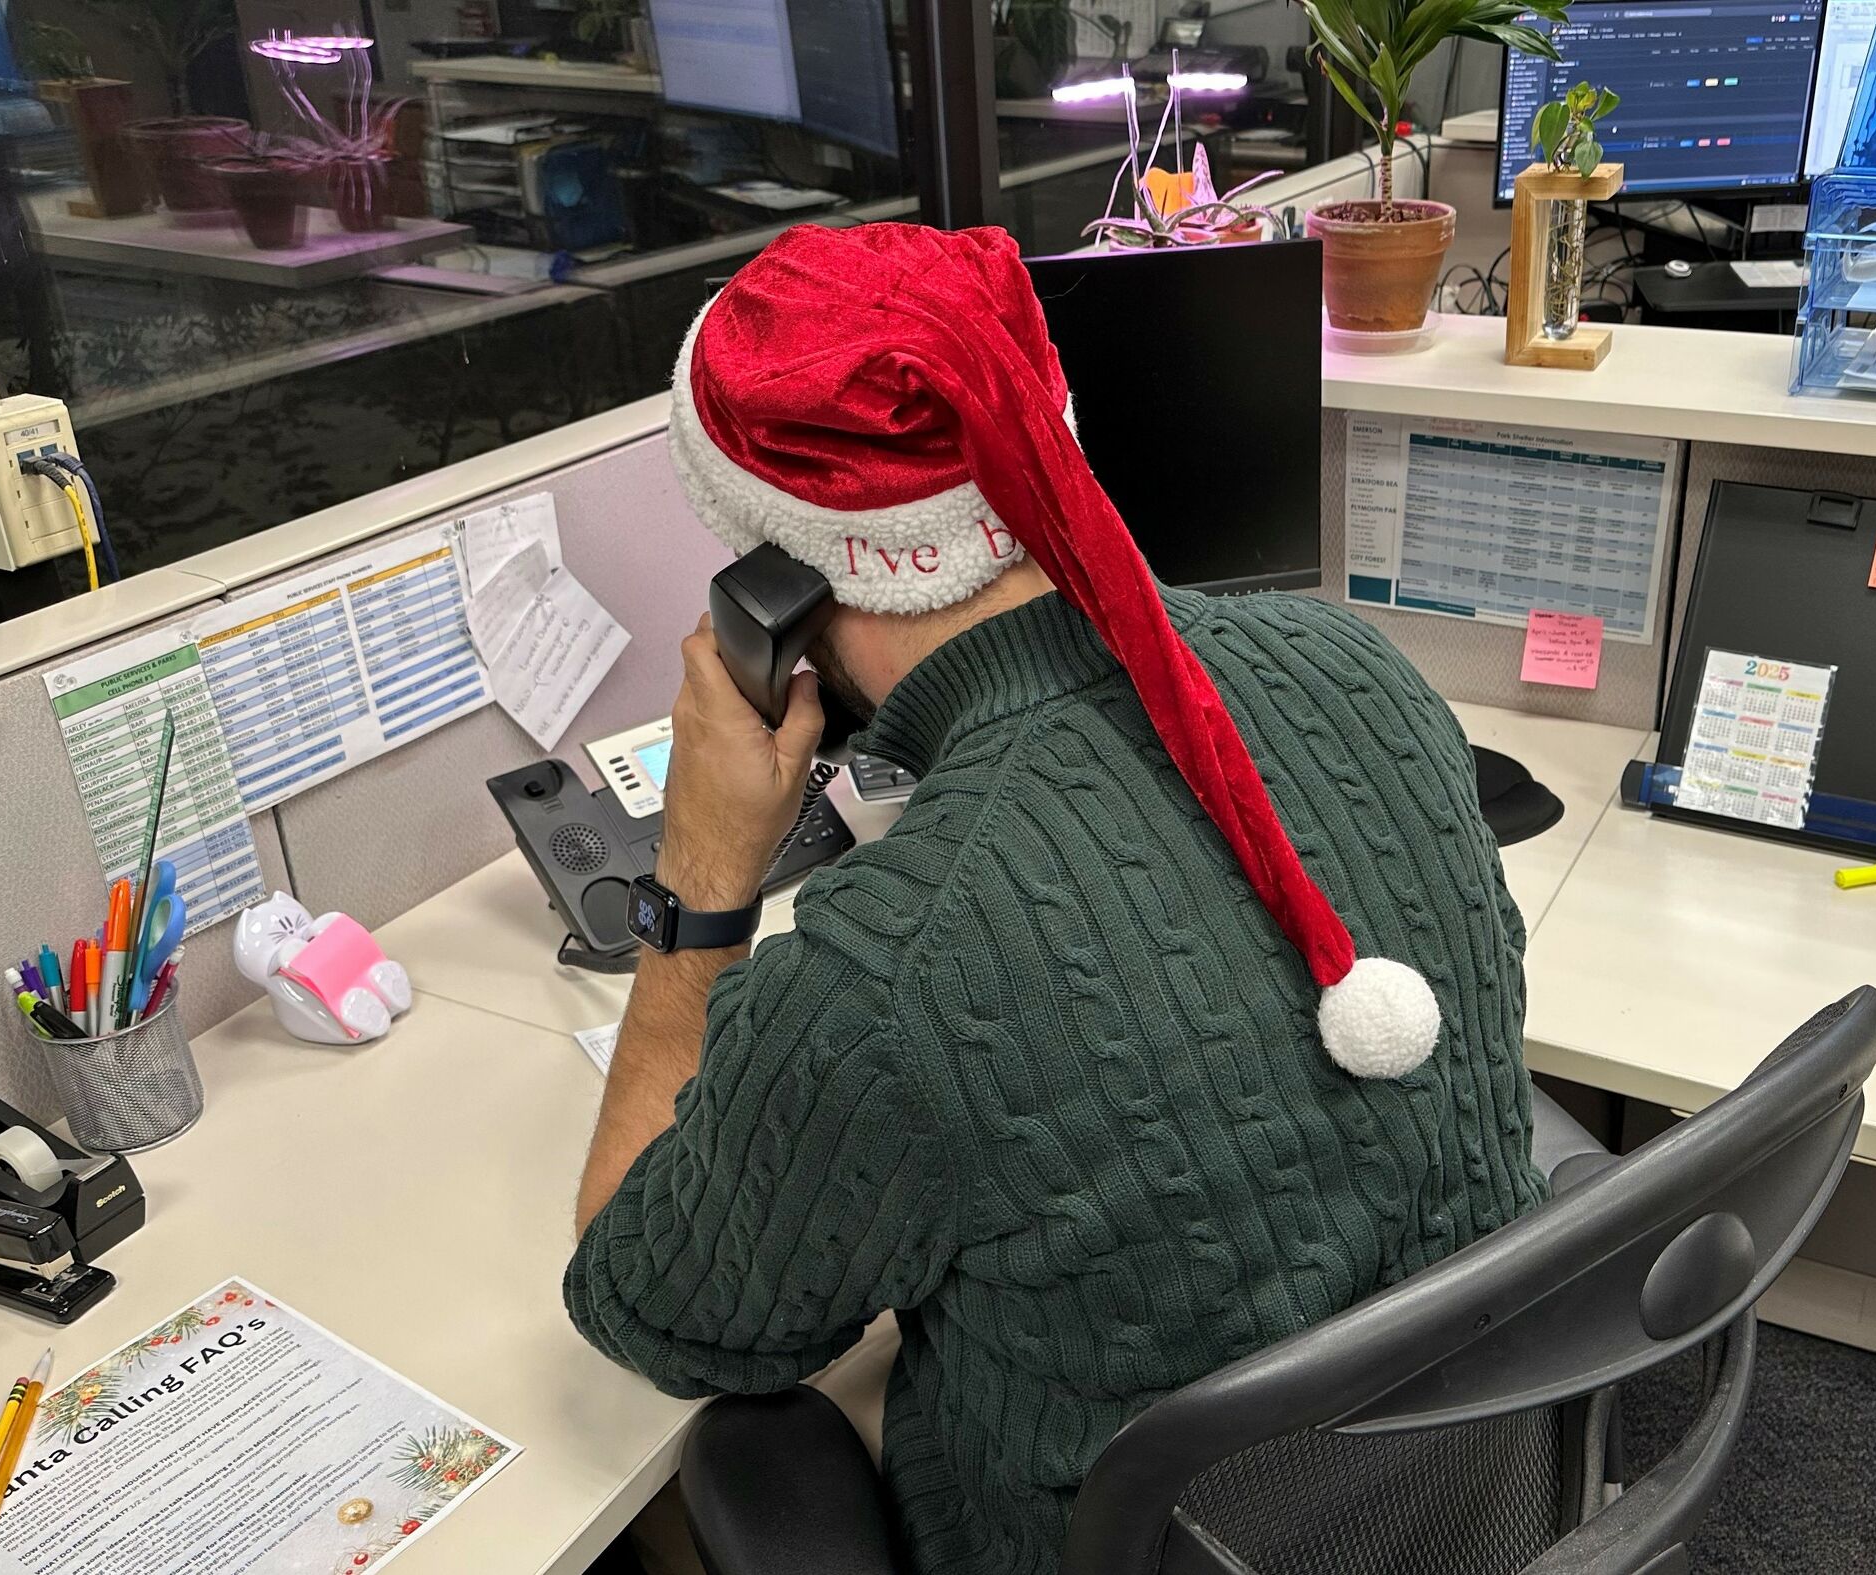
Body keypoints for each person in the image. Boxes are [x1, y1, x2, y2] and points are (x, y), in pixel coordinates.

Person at [564, 222, 1546, 1575]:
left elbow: (645, 1296)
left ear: (770, 582)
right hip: (1467, 1497)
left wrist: (704, 875)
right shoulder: (1358, 666)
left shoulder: (888, 971)